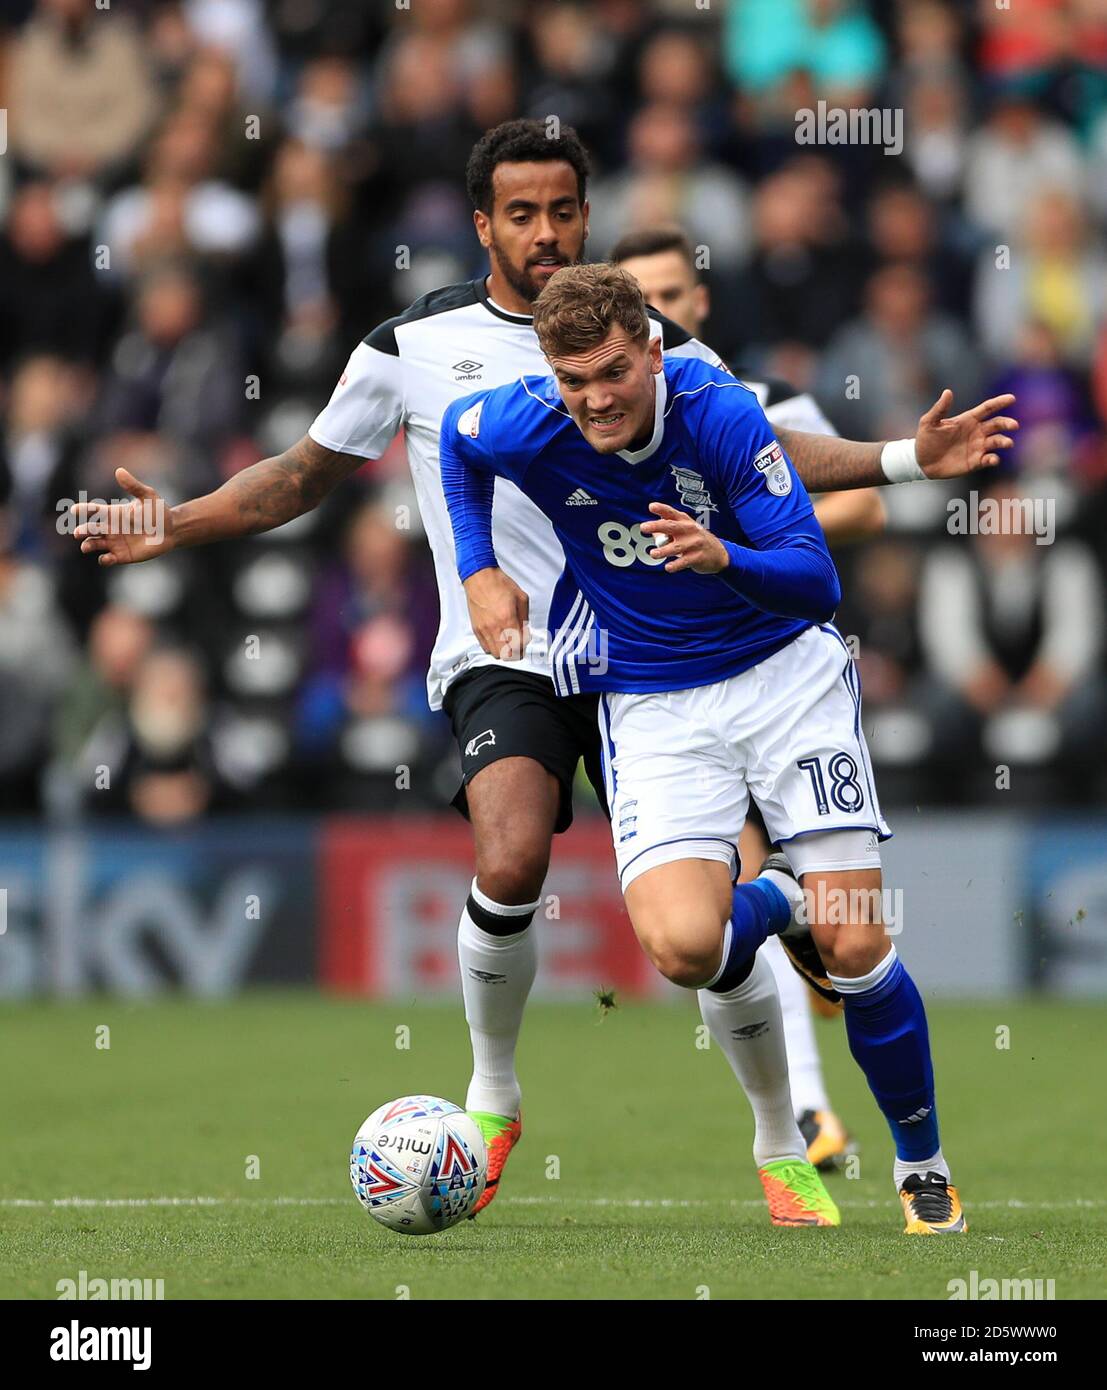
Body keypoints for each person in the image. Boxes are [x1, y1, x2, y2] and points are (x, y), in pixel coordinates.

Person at [72, 119, 1018, 1219]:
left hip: (650, 652)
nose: (545, 231)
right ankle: (494, 1094)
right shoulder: (410, 347)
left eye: (563, 208)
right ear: (483, 224)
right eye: (521, 213)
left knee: (710, 934)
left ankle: (780, 1137)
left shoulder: (643, 333)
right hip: (509, 653)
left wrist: (897, 460)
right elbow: (302, 475)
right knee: (515, 852)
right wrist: (181, 523)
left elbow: (758, 446)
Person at [441, 263, 975, 1235]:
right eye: (573, 380)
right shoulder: (524, 417)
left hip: (783, 679)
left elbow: (815, 580)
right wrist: (478, 568)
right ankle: (786, 898)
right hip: (650, 702)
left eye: (611, 372)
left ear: (653, 352)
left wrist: (724, 554)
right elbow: (456, 441)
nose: (594, 399)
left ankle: (922, 1163)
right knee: (688, 949)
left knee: (856, 944)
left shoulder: (721, 415)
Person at [611, 224, 882, 1170]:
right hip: (675, 682)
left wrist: (744, 533)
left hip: (783, 664)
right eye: (639, 298)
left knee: (848, 934)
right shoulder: (604, 410)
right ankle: (806, 1112)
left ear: (700, 303)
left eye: (672, 297)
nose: (660, 313)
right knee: (729, 884)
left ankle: (843, 1109)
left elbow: (864, 503)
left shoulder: (754, 400)